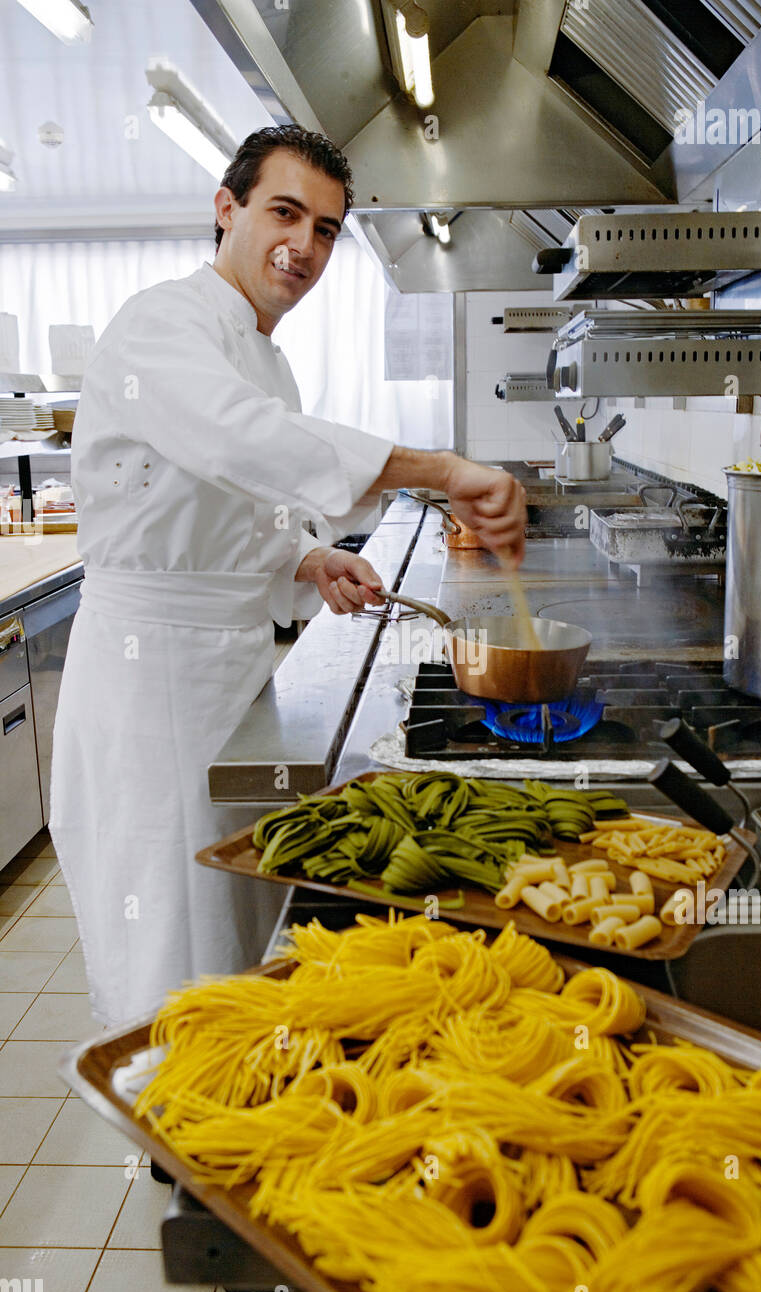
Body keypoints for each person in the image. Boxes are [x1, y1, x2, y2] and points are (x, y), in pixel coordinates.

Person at [50, 125, 527, 1028]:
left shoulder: (265, 354)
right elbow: (235, 437)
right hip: (149, 678)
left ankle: (224, 1093)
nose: (303, 244)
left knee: (227, 905)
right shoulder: (164, 322)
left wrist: (306, 559)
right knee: (165, 915)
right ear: (226, 210)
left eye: (326, 228)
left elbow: (229, 499)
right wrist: (442, 470)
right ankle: (176, 1133)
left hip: (224, 667)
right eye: (284, 212)